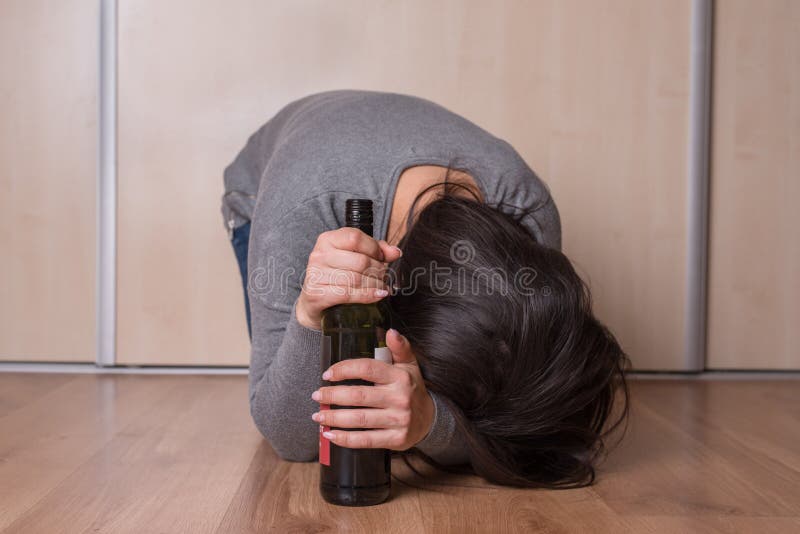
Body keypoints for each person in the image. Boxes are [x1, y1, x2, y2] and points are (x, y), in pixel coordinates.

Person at [221, 90, 629, 488]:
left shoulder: (528, 212)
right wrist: (310, 316)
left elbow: (539, 408)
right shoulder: (299, 209)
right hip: (266, 187)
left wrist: (430, 422)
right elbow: (291, 437)